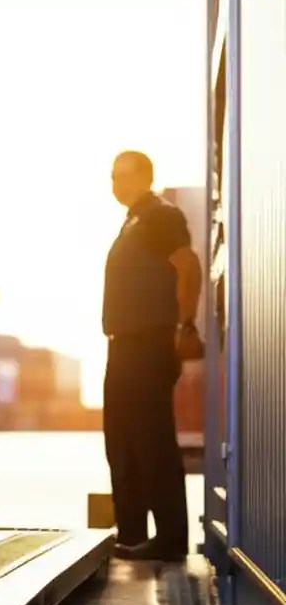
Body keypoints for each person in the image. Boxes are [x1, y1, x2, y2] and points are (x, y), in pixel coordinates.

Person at [102, 150, 202, 562]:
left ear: (145, 177)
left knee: (152, 441)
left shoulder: (160, 215)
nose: (116, 184)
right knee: (122, 441)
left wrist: (184, 325)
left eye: (124, 176)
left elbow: (188, 265)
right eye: (112, 177)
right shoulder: (133, 219)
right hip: (123, 345)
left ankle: (170, 538)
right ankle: (131, 534)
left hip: (148, 344)